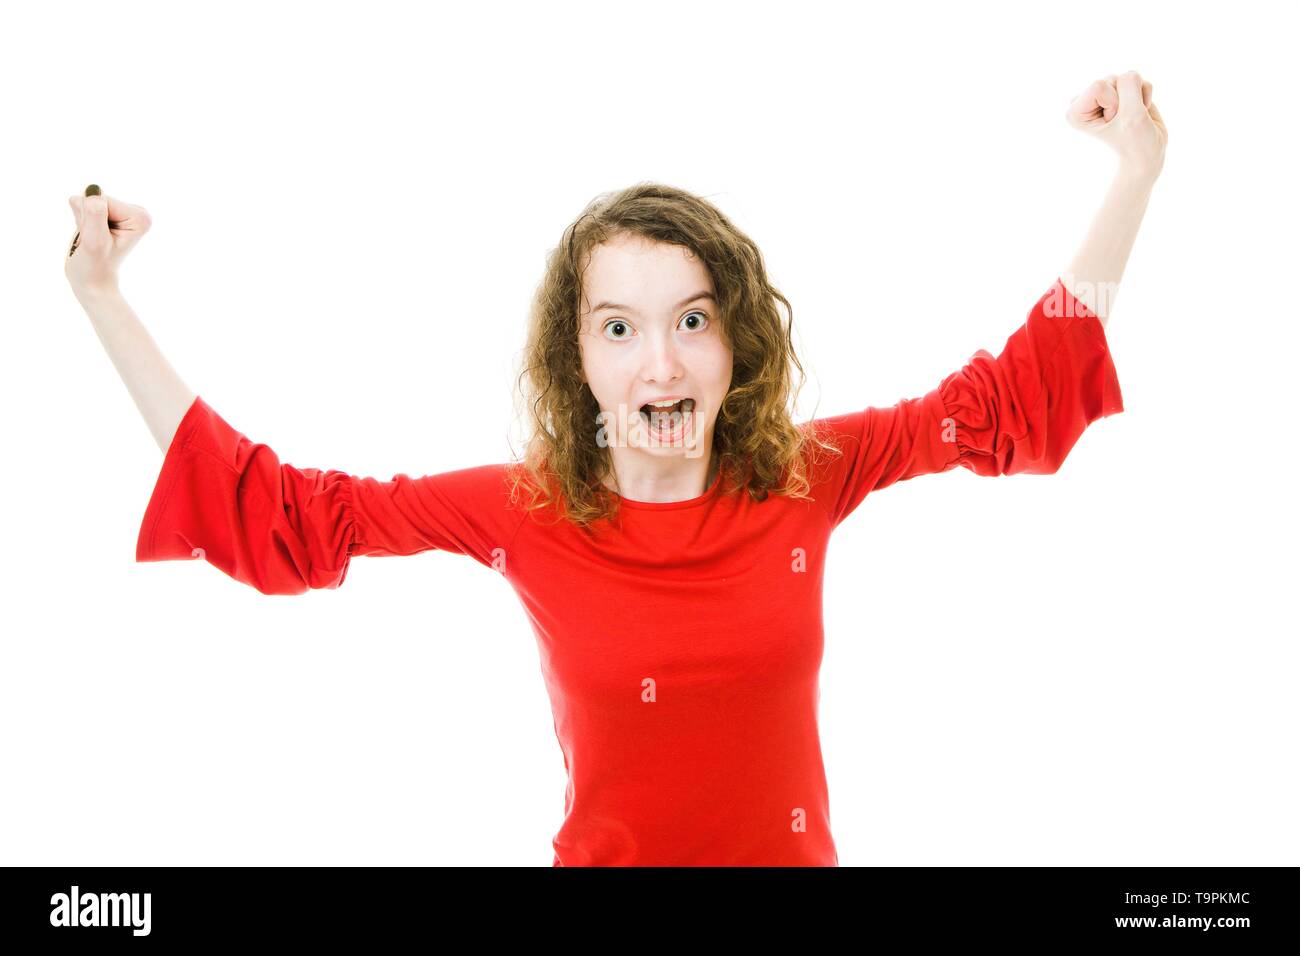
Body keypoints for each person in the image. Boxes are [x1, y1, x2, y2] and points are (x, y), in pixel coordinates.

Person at [63, 72, 1166, 866]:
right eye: (621, 330)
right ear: (577, 358)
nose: (664, 363)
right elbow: (290, 513)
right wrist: (107, 300)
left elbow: (1016, 393)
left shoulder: (807, 473)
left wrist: (1134, 176)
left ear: (736, 340)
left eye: (692, 318)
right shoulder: (523, 511)